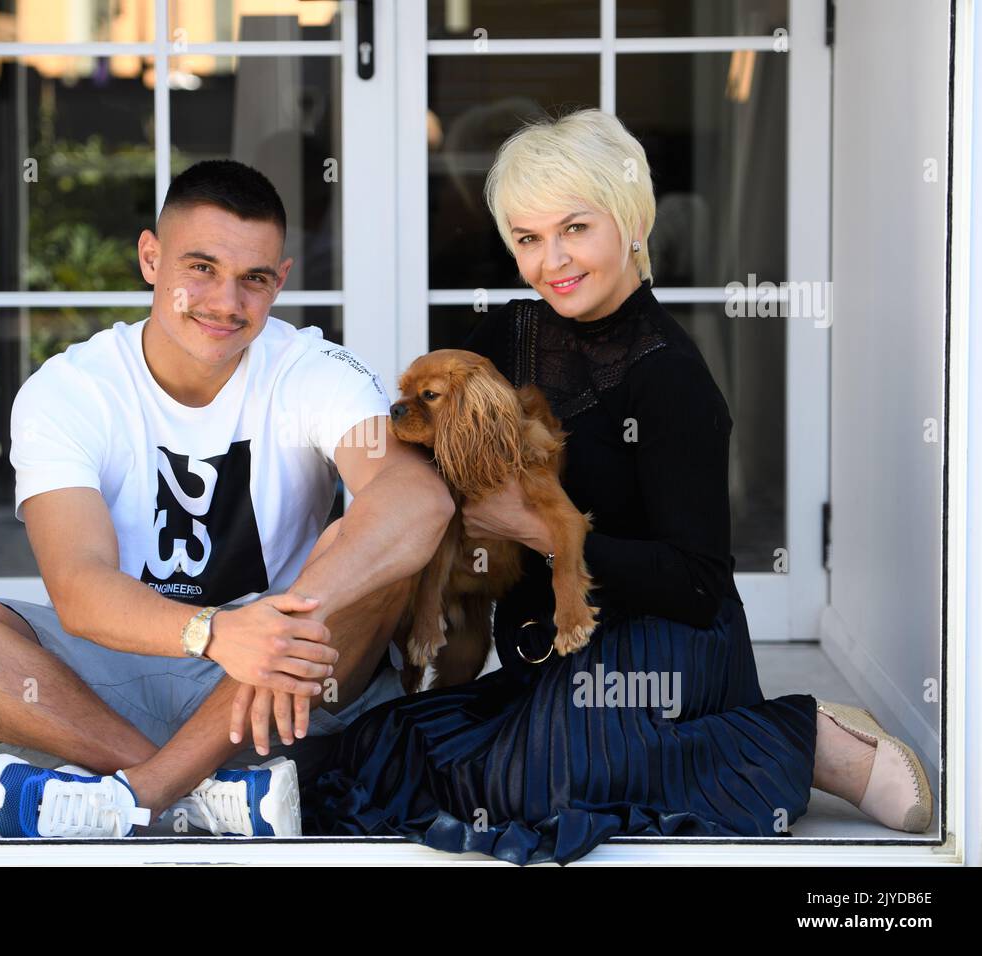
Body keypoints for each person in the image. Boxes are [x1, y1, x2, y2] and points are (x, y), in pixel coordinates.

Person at [300, 108, 934, 864]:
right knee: (380, 749)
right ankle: (608, 739)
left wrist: (534, 528)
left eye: (576, 229)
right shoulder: (506, 339)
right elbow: (418, 441)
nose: (553, 261)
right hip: (556, 657)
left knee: (545, 785)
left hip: (669, 642)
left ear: (630, 221)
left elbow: (697, 583)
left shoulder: (670, 375)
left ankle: (806, 736)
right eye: (528, 239)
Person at [0, 160, 453, 838]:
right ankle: (200, 791)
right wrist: (214, 633)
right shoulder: (71, 389)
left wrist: (272, 628)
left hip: (280, 682)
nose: (226, 302)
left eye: (255, 279)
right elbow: (79, 588)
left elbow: (419, 501)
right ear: (151, 258)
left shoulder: (312, 369)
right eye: (201, 268)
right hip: (119, 679)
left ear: (282, 280)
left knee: (372, 540)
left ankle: (138, 792)